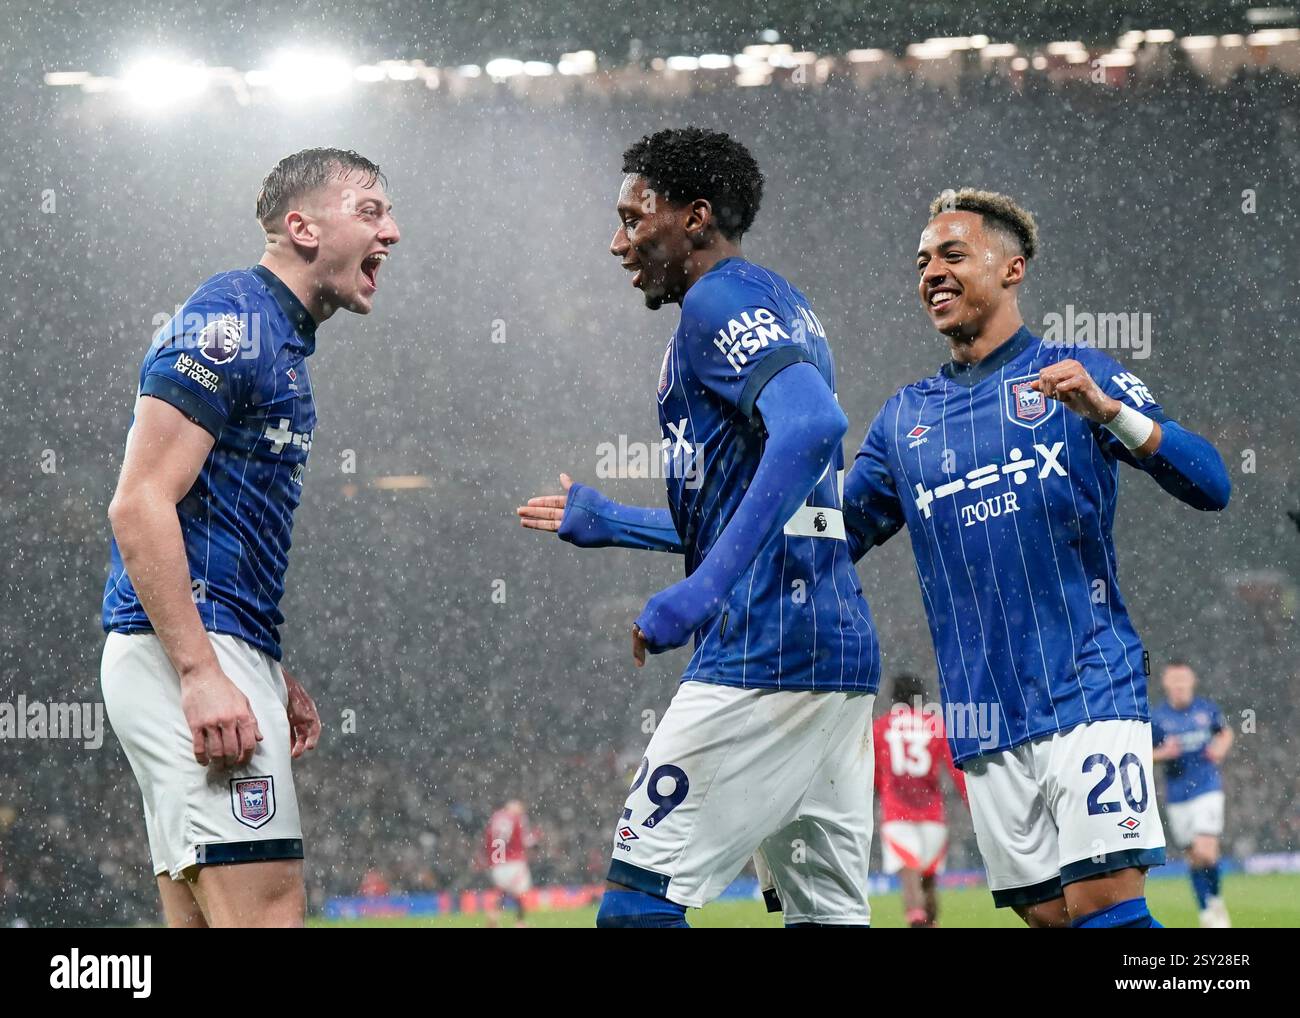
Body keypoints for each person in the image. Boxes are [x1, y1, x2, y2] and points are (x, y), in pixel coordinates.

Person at [517, 127, 880, 927]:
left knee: (635, 908)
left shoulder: (719, 300)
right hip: (835, 651)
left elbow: (814, 425)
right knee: (824, 922)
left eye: (632, 218)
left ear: (695, 217)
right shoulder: (786, 305)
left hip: (764, 649)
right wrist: (615, 521)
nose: (617, 243)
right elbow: (781, 503)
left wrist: (702, 590)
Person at [841, 188, 1231, 928]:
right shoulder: (905, 419)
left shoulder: (1076, 371)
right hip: (985, 716)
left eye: (954, 254)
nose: (933, 272)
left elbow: (1211, 483)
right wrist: (674, 525)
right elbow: (832, 534)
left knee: (1106, 906)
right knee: (1055, 920)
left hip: (1087, 683)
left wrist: (1110, 414)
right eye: (923, 261)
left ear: (1012, 268)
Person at [100, 148, 399, 927]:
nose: (391, 231)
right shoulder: (228, 321)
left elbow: (214, 524)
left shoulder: (279, 337)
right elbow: (138, 505)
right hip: (182, 655)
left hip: (217, 643)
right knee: (267, 916)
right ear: (301, 227)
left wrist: (261, 665)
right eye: (370, 211)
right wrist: (203, 670)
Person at [873, 673, 967, 927]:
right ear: (922, 697)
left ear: (894, 697)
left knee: (910, 881)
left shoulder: (881, 727)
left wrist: (881, 791)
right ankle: (931, 922)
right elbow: (955, 768)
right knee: (929, 882)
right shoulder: (935, 725)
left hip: (897, 815)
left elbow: (873, 773)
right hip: (932, 817)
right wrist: (969, 801)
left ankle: (916, 920)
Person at [1152, 661, 1234, 927]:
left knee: (1206, 851)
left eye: (1183, 680)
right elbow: (1142, 754)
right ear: (1166, 683)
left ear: (1192, 681)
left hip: (1207, 787)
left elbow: (1225, 733)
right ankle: (1206, 912)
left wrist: (1220, 748)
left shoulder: (1206, 710)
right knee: (1195, 856)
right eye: (1174, 680)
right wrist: (1164, 753)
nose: (1179, 686)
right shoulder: (1157, 718)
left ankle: (1215, 901)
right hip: (1177, 795)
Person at [483, 800, 540, 927]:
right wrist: (536, 837)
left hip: (497, 863)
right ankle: (520, 923)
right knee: (520, 893)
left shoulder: (495, 818)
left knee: (503, 891)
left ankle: (494, 917)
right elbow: (527, 840)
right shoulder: (517, 818)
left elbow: (488, 841)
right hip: (515, 862)